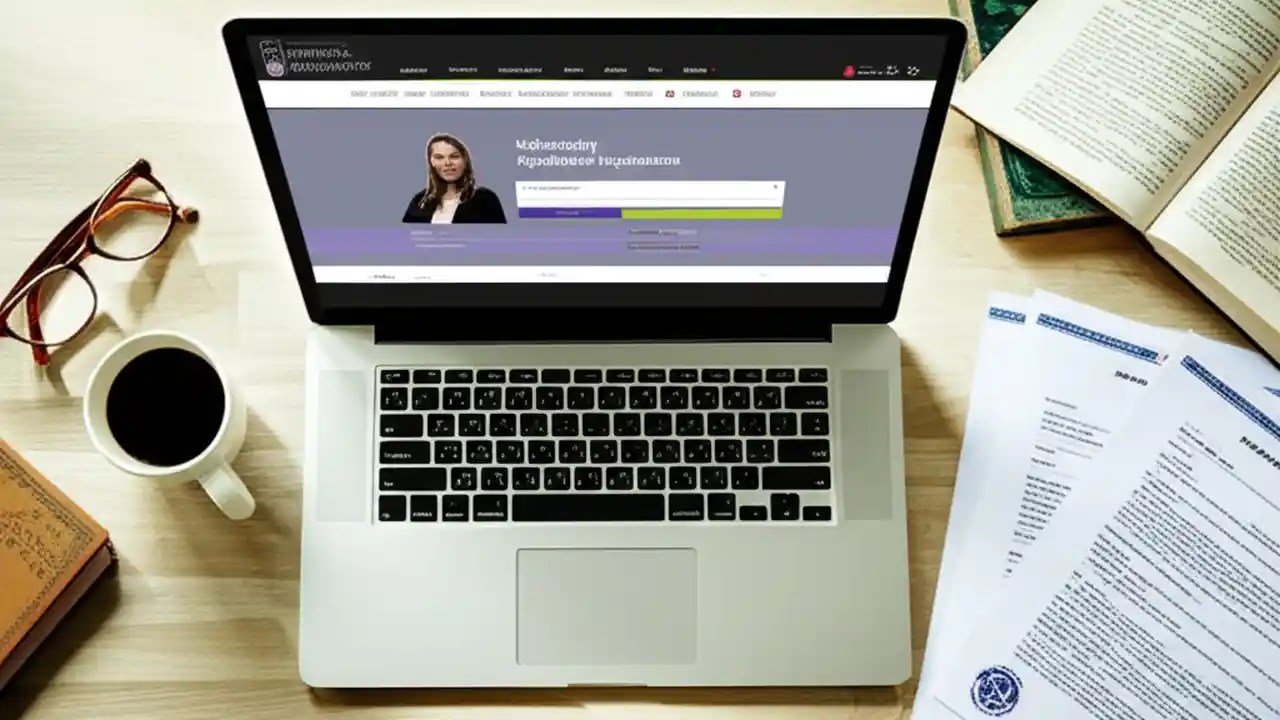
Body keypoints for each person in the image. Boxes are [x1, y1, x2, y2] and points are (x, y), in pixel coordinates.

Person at [402, 133, 507, 224]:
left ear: (465, 160)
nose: (447, 163)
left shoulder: (485, 199)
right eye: (439, 157)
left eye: (454, 156)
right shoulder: (420, 201)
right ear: (431, 162)